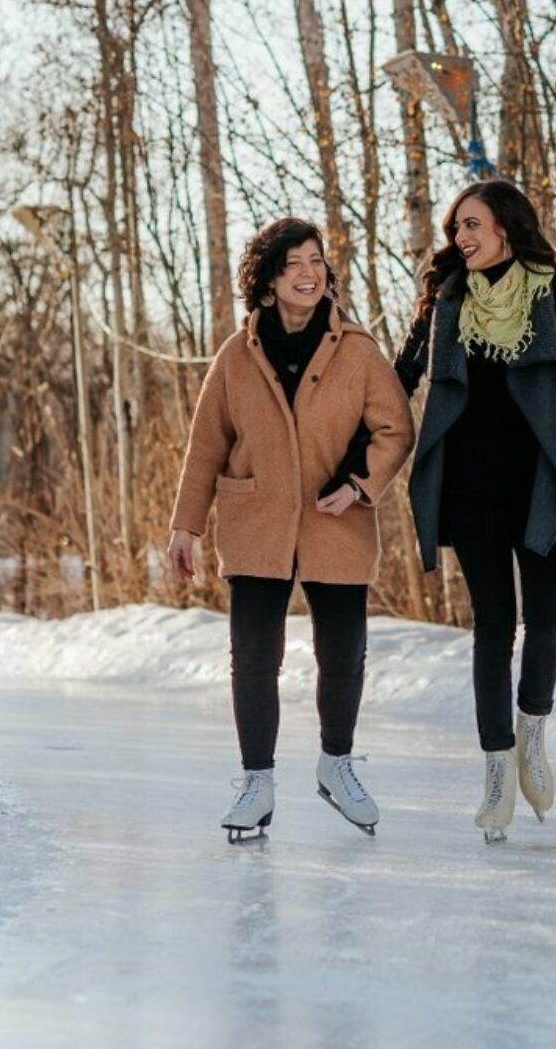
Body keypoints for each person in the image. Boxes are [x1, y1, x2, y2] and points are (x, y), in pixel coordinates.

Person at [396, 179, 556, 843]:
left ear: (505, 225)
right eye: (455, 230)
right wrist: (357, 456)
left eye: (471, 224)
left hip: (540, 482)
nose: (461, 238)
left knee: (548, 618)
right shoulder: (447, 301)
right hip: (470, 488)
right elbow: (397, 382)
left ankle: (532, 732)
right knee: (493, 626)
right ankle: (497, 769)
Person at [167, 218, 413, 841]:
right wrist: (184, 527)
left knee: (343, 654)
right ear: (269, 282)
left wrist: (359, 485)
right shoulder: (235, 355)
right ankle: (256, 784)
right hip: (256, 520)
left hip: (337, 519)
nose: (310, 273)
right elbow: (205, 447)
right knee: (252, 657)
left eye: (317, 261)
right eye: (294, 264)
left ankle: (337, 765)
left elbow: (395, 429)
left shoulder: (357, 349)